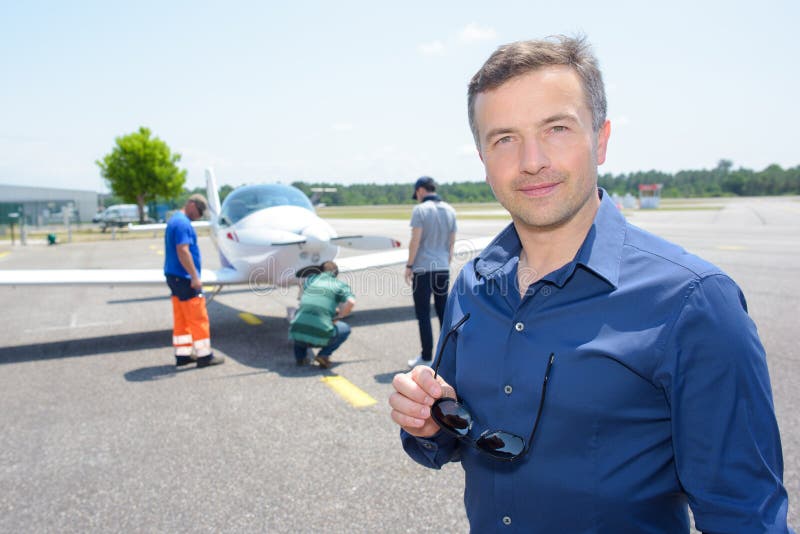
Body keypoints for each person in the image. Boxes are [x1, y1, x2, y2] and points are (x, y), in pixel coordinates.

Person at [389, 35, 792, 533]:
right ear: (482, 155)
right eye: (505, 138)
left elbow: (744, 515)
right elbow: (454, 429)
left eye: (556, 128)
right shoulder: (473, 285)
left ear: (600, 139)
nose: (531, 160)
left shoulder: (695, 304)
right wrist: (429, 420)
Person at [165, 194, 224, 369]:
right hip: (184, 278)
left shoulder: (175, 220)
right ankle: (204, 355)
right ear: (191, 205)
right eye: (199, 211)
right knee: (198, 317)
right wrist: (195, 277)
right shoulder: (183, 223)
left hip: (174, 275)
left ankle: (182, 355)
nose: (199, 215)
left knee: (181, 317)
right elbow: (183, 251)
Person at [405, 176, 457, 368]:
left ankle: (427, 356)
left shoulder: (420, 210)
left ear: (420, 190)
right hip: (443, 267)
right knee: (444, 312)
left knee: (423, 313)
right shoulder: (450, 210)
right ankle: (448, 356)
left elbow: (415, 241)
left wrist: (409, 265)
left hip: (423, 268)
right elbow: (452, 242)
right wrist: (446, 261)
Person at [289, 261, 355, 369]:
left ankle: (300, 357)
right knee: (345, 329)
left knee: (300, 317)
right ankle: (323, 355)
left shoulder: (309, 280)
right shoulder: (339, 285)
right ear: (336, 273)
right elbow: (351, 302)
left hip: (297, 333)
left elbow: (301, 298)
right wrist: (340, 316)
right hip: (319, 336)